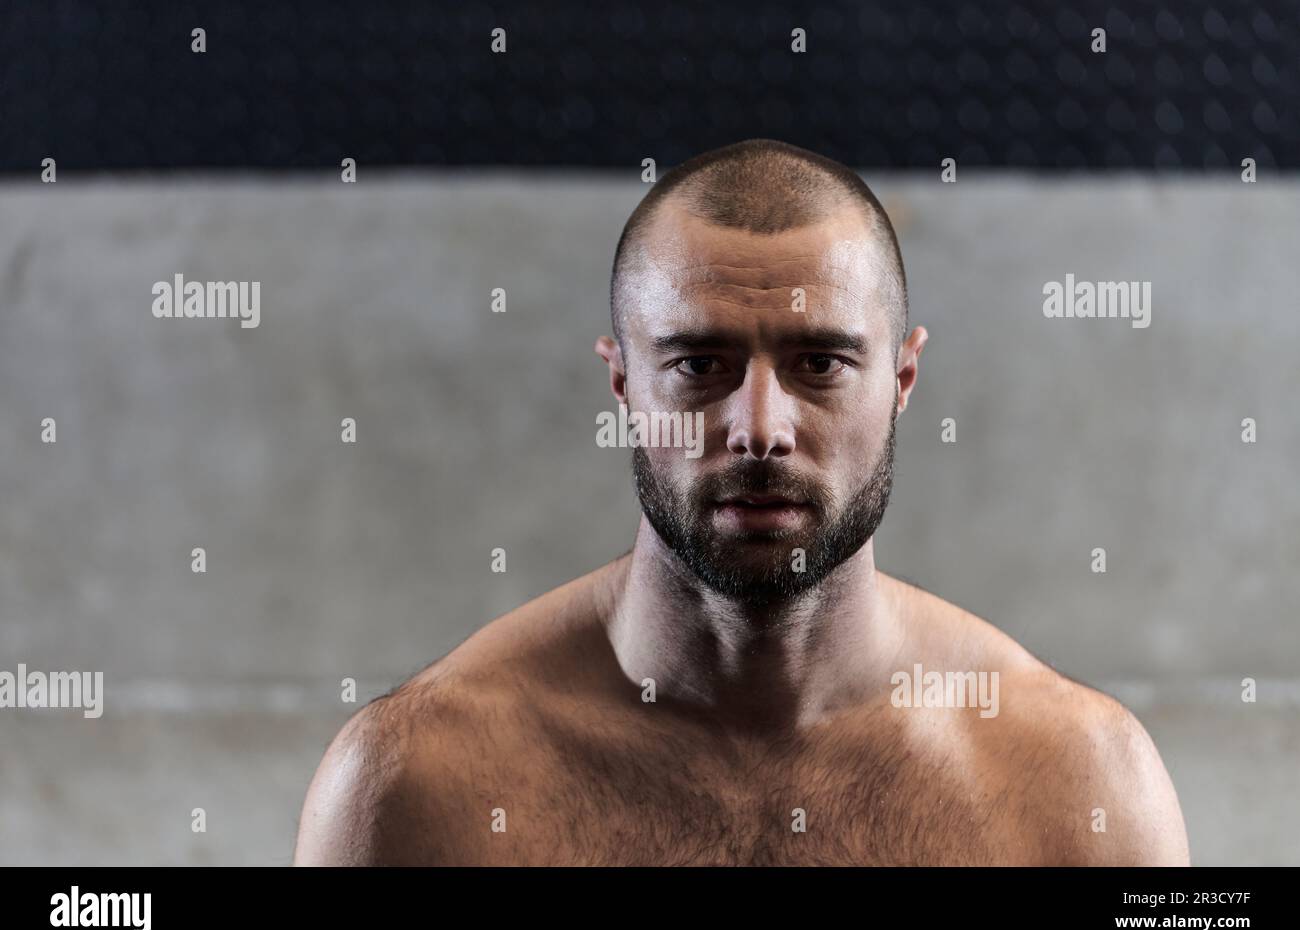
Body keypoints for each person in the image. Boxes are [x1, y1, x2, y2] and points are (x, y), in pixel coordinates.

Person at [294, 139, 1190, 865]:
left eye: (820, 364)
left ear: (904, 378)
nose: (760, 428)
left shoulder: (1082, 785)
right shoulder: (418, 786)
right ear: (622, 384)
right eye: (698, 365)